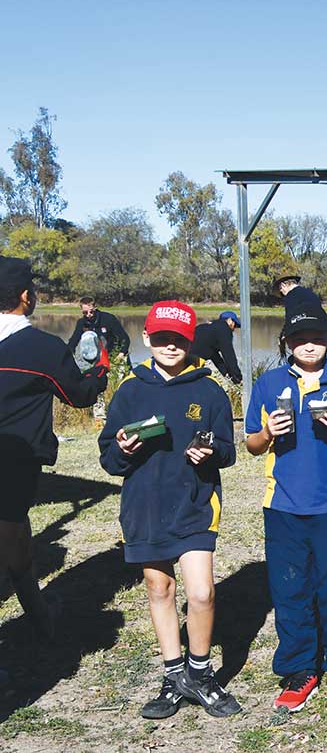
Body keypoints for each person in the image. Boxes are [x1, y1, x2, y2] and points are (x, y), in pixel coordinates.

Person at [98, 301, 241, 719]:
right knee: (160, 590)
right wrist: (123, 449)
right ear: (146, 338)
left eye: (178, 338)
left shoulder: (209, 390)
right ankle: (173, 675)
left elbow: (228, 452)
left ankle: (200, 673)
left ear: (191, 340)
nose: (169, 345)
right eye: (161, 337)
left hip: (195, 503)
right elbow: (109, 458)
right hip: (144, 506)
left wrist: (210, 453)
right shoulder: (129, 390)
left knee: (201, 592)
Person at [245, 297, 327, 713]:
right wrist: (267, 433)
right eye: (300, 337)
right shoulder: (267, 384)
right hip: (282, 504)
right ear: (285, 342)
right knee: (289, 589)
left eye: (317, 337)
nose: (309, 344)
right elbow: (250, 444)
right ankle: (300, 669)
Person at [0, 257, 108, 642]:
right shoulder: (40, 347)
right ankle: (39, 618)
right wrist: (100, 375)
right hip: (15, 463)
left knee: (14, 534)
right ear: (26, 297)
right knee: (12, 534)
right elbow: (78, 395)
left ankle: (38, 615)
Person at [66, 296, 131, 357]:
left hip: (116, 353)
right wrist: (70, 354)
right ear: (81, 310)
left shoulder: (109, 319)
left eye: (91, 312)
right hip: (96, 356)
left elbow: (125, 339)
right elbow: (73, 341)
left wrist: (121, 354)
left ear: (95, 307)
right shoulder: (81, 323)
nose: (89, 315)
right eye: (85, 312)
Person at [190, 311, 243, 383]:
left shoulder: (210, 328)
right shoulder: (224, 328)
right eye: (235, 325)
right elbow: (229, 355)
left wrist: (227, 375)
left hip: (185, 357)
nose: (233, 329)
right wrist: (238, 377)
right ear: (230, 320)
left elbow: (215, 356)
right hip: (193, 360)